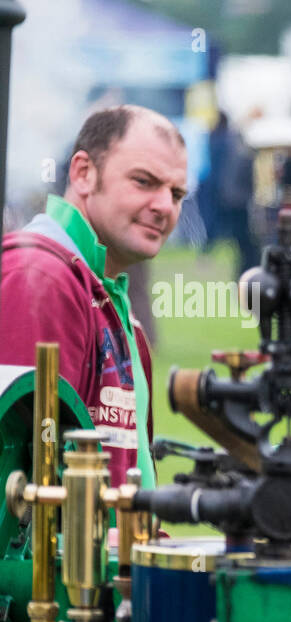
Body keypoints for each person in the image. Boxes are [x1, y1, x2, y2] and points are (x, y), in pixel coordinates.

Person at [0, 105, 188, 487]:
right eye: (144, 182)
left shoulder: (108, 295)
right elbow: (26, 489)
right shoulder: (40, 276)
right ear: (84, 173)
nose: (164, 206)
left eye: (176, 193)